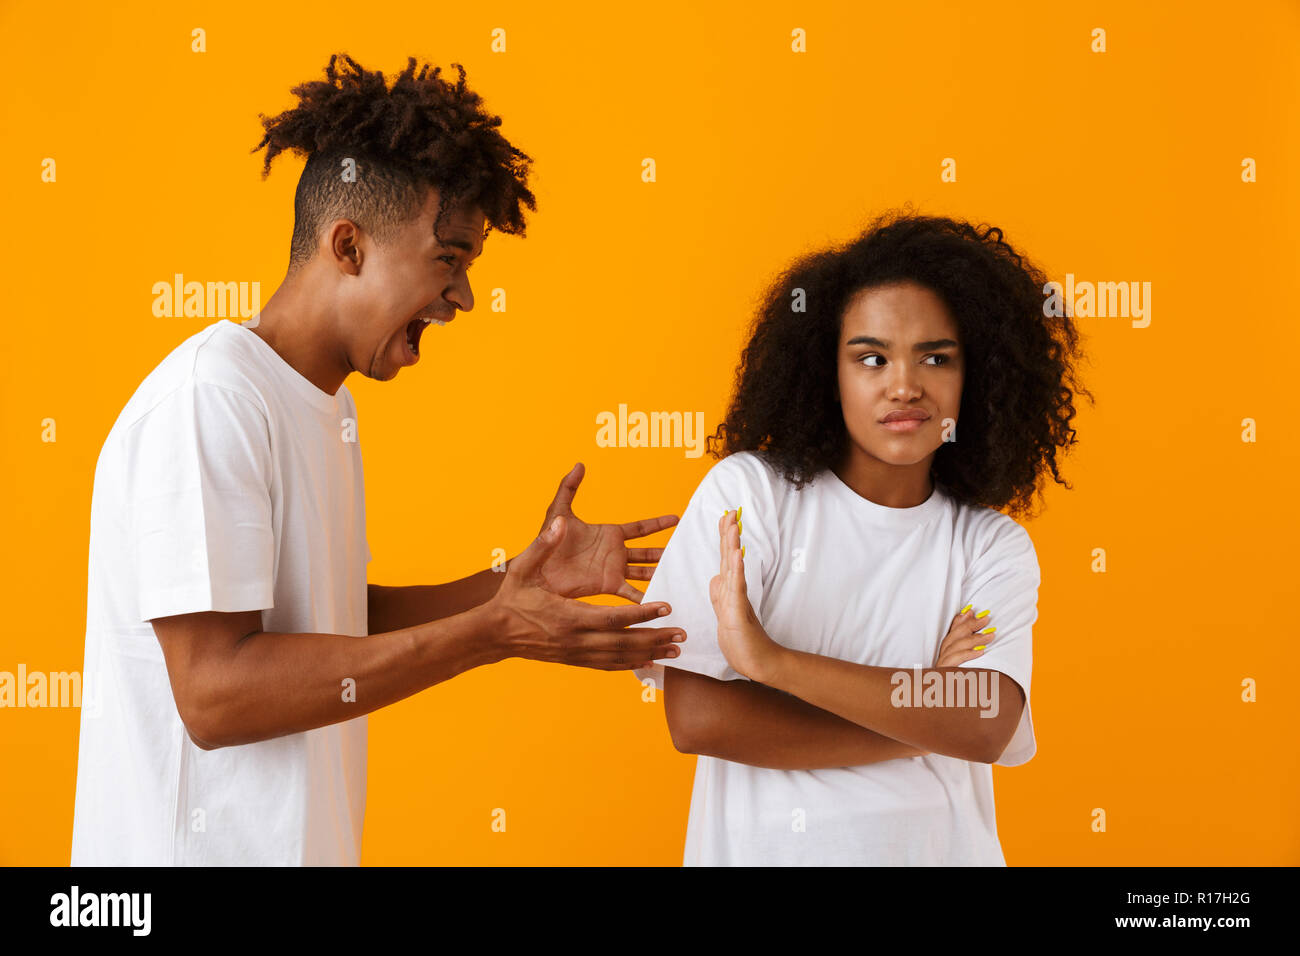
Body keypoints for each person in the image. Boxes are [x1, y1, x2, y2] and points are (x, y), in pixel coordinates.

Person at [71, 53, 686, 866]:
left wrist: (507, 590)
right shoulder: (212, 397)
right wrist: (494, 634)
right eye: (449, 259)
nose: (463, 298)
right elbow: (215, 696)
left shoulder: (325, 405)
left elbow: (326, 623)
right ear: (349, 246)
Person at [634, 210, 1093, 865]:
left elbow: (986, 722)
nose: (904, 385)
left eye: (936, 357)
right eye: (871, 358)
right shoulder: (749, 498)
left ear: (977, 376)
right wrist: (923, 710)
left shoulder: (992, 546)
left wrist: (770, 664)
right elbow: (699, 719)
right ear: (830, 374)